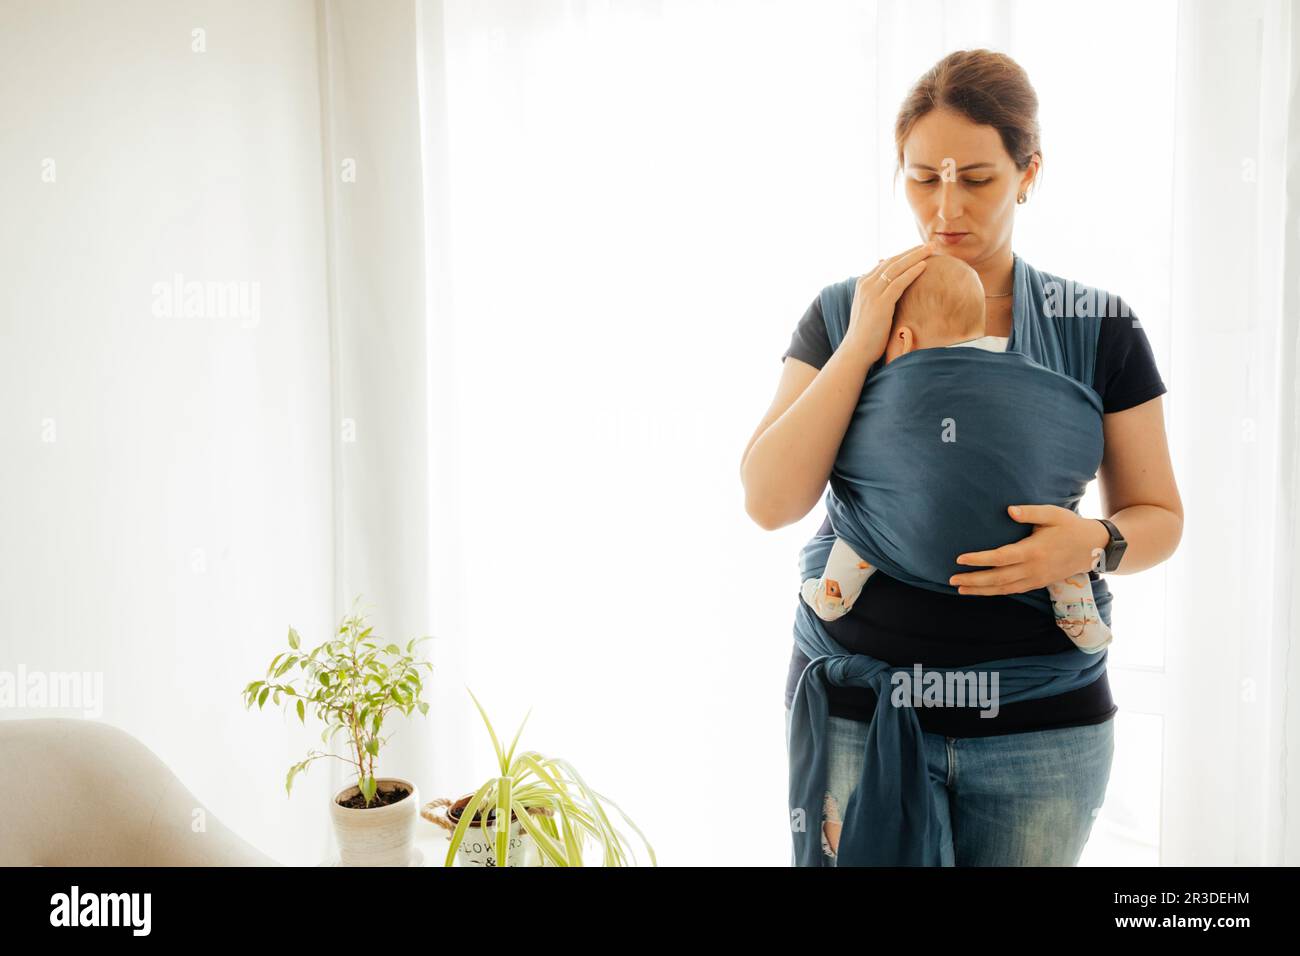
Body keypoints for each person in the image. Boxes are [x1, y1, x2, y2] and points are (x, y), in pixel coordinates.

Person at [739, 49, 1183, 865]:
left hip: (1041, 732)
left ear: (1029, 172)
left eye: (977, 179)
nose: (946, 208)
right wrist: (865, 341)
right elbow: (770, 500)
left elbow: (1159, 518)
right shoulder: (843, 312)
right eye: (921, 178)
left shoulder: (1097, 326)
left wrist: (1092, 544)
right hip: (859, 715)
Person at [800, 254, 1112, 655]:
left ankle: (833, 596)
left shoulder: (878, 387)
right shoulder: (1019, 369)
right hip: (1017, 528)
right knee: (1058, 528)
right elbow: (1065, 423)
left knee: (857, 523)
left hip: (896, 532)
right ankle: (1079, 614)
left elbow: (850, 449)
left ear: (902, 339)